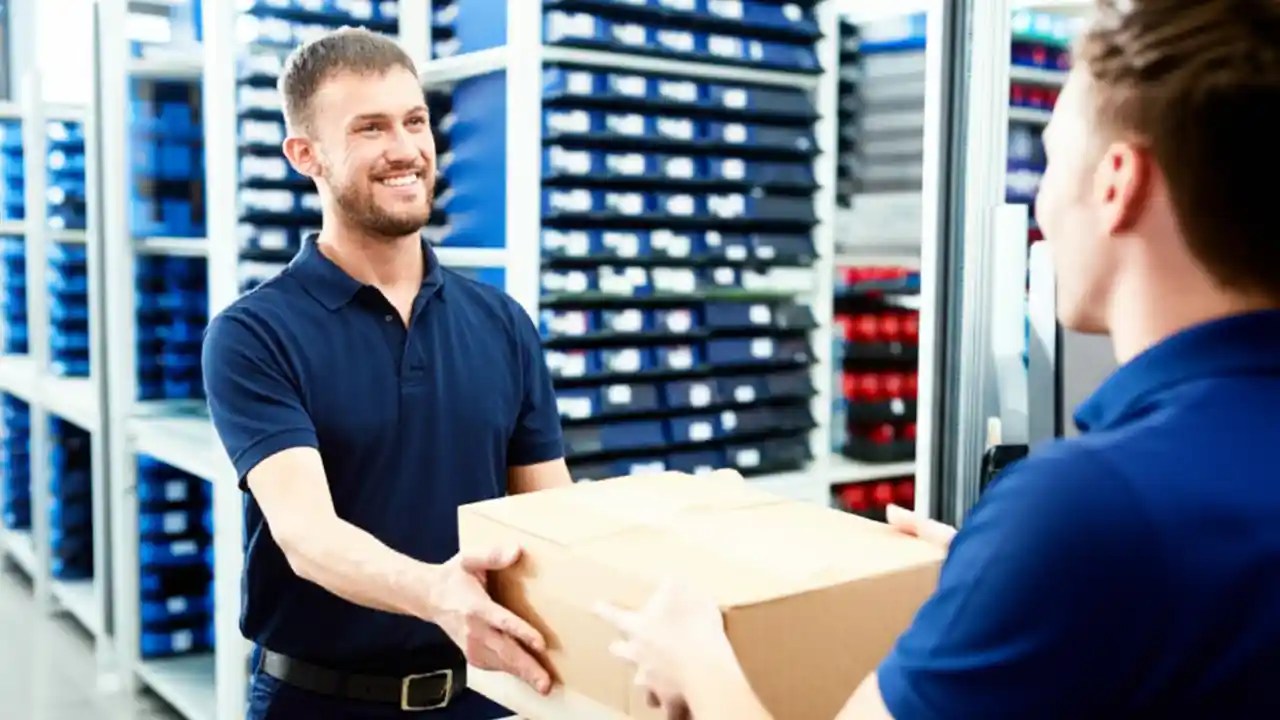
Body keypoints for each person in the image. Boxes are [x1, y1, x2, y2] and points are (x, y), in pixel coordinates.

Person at [597, 0, 1280, 717]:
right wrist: (1003, 574)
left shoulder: (1092, 507)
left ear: (1117, 185)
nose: (1042, 205)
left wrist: (697, 660)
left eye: (1049, 159)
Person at [202, 27, 569, 718]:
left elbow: (552, 515)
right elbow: (308, 536)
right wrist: (439, 595)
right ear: (305, 155)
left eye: (415, 121)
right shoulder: (254, 334)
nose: (405, 149)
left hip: (489, 695)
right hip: (321, 701)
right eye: (370, 128)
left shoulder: (502, 323)